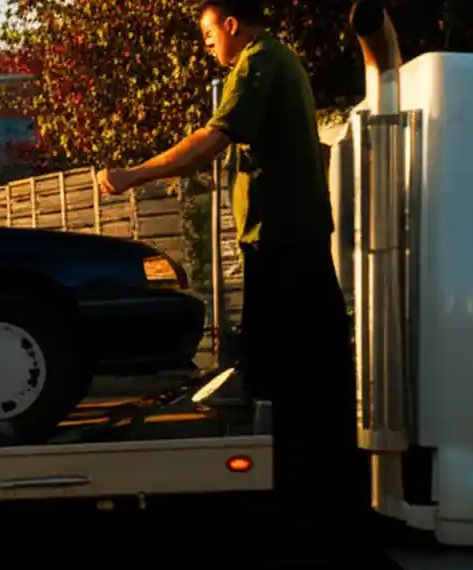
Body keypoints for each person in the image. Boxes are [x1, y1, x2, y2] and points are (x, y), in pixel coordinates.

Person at [97, 0, 365, 514]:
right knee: (298, 373)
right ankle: (304, 490)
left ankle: (290, 497)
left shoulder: (259, 61)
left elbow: (210, 141)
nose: (207, 44)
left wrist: (134, 174)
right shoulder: (272, 60)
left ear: (232, 25)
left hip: (285, 246)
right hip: (285, 243)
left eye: (207, 33)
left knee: (283, 378)